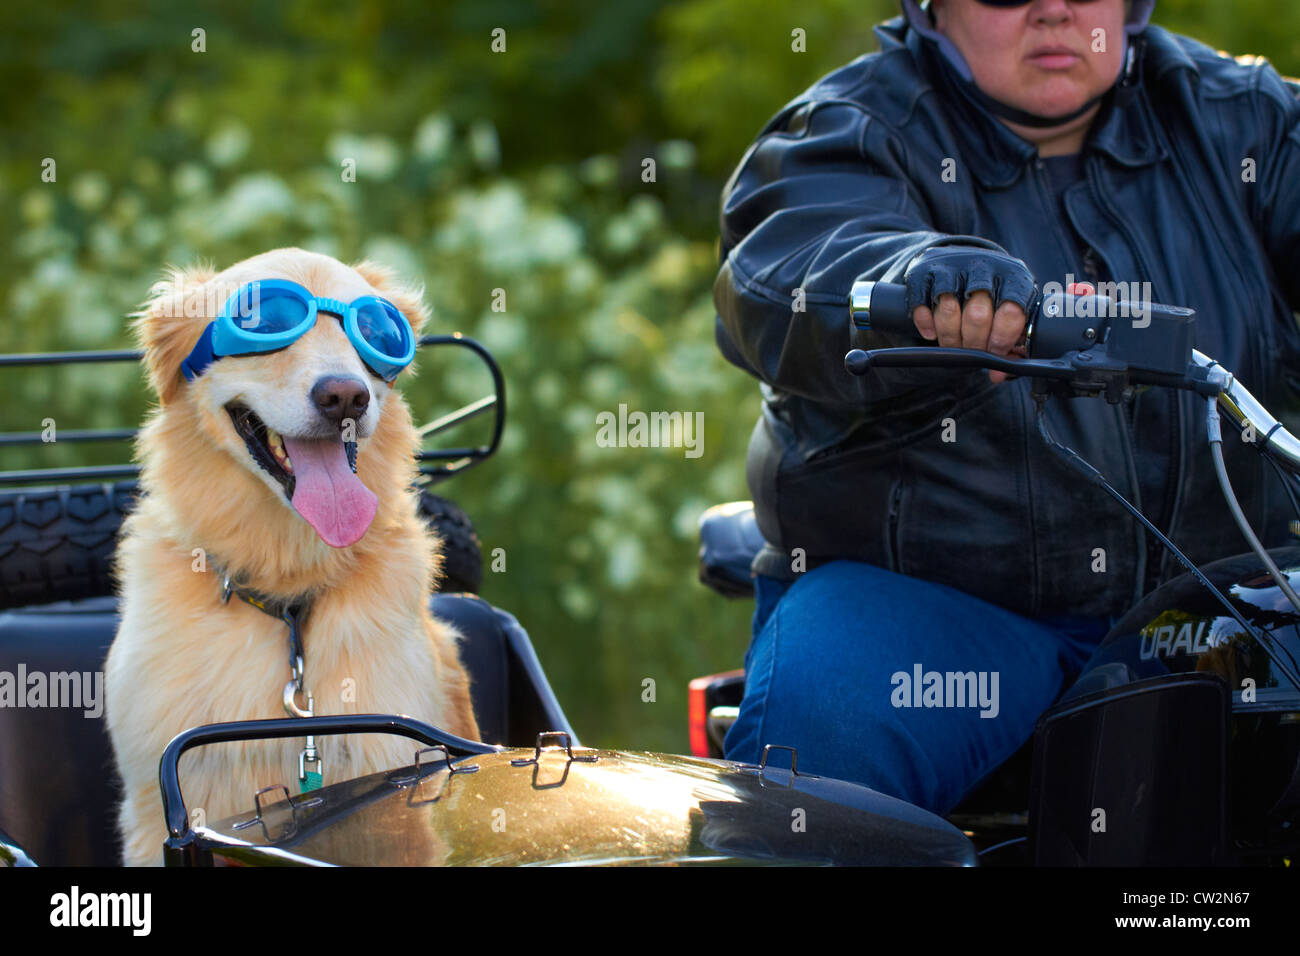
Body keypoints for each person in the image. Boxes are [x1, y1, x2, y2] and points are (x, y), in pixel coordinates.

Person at [713, 0, 1300, 814]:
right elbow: (783, 277)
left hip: (1235, 596)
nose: (1055, 9)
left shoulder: (1245, 120)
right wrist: (918, 276)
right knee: (825, 743)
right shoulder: (847, 130)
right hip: (942, 608)